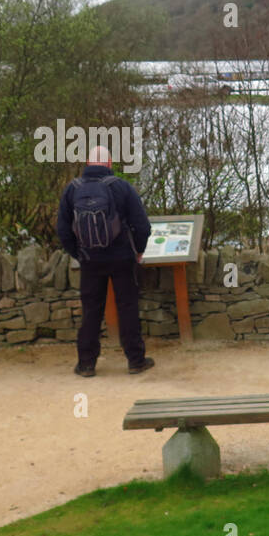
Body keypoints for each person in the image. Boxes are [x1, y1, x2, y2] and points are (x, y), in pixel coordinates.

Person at [56, 144, 154, 377]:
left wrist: (79, 253)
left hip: (90, 260)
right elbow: (143, 226)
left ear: (88, 164)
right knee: (127, 307)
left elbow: (62, 230)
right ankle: (136, 361)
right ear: (109, 164)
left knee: (91, 310)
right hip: (122, 258)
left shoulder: (72, 189)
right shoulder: (121, 187)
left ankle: (86, 364)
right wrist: (138, 251)